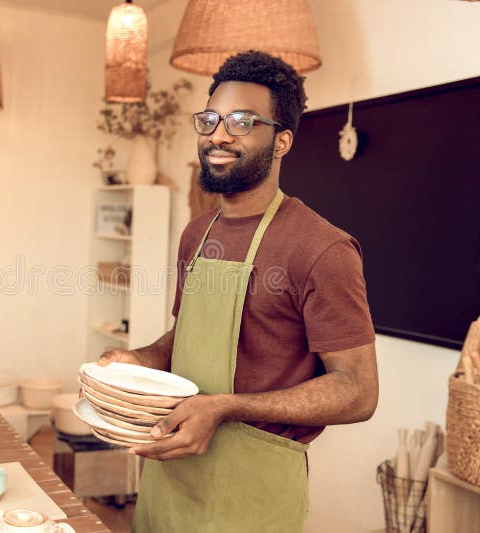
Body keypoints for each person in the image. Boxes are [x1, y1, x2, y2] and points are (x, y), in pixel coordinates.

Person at [98, 50, 378, 533]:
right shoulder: (197, 233)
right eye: (209, 120)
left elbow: (358, 392)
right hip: (170, 478)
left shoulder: (323, 249)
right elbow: (186, 337)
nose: (219, 134)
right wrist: (140, 360)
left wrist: (227, 406)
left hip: (251, 492)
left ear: (282, 140)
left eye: (242, 121)